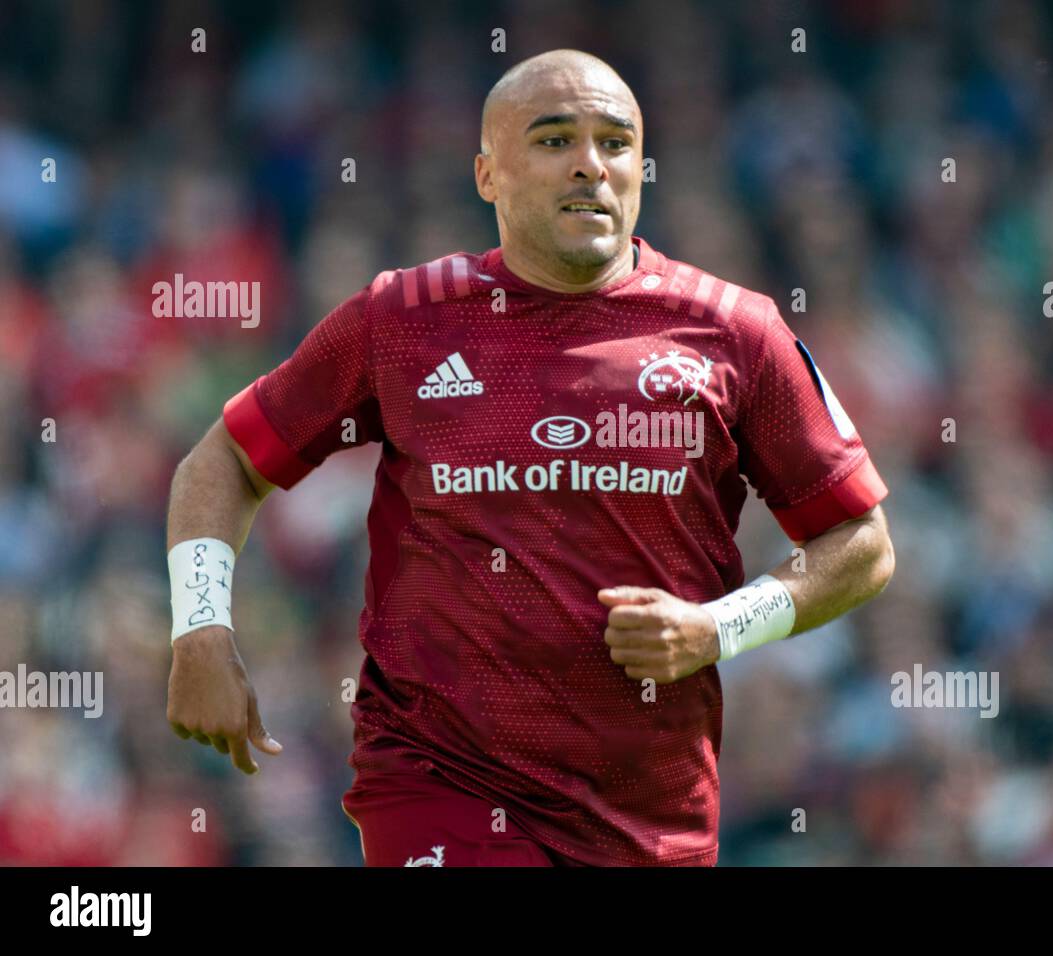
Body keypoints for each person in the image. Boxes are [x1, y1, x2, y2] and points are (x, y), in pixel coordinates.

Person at [165, 49, 895, 867]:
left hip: (648, 815)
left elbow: (860, 543)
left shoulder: (738, 332)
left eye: (615, 143)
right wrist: (202, 630)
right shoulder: (403, 318)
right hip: (439, 781)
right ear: (488, 174)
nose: (591, 164)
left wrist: (715, 628)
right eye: (554, 140)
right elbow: (225, 462)